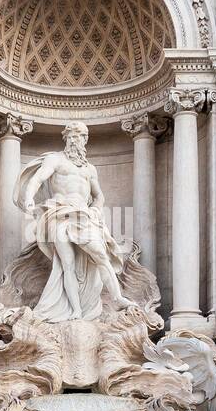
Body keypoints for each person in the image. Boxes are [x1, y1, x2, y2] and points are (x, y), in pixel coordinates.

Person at [14, 121, 137, 321]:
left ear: (85, 140)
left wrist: (96, 210)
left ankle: (117, 297)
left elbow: (99, 196)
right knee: (67, 264)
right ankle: (76, 310)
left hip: (83, 216)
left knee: (100, 255)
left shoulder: (90, 169)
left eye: (78, 136)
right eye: (70, 136)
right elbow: (37, 179)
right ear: (65, 139)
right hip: (58, 212)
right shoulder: (55, 160)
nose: (74, 140)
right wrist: (28, 198)